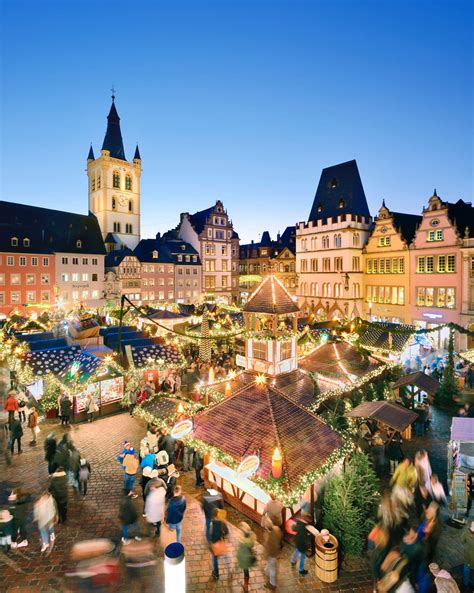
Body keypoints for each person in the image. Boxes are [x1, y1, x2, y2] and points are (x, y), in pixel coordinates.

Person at [263, 516, 282, 591]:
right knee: (270, 566)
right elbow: (280, 537)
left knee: (272, 569)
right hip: (276, 552)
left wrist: (265, 556)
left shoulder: (268, 537)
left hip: (272, 554)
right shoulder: (277, 529)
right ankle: (266, 571)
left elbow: (267, 549)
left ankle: (272, 584)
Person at [209, 506, 229, 580]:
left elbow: (211, 534)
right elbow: (227, 532)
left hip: (215, 543)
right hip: (221, 542)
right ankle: (229, 570)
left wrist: (210, 542)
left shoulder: (212, 524)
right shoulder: (222, 522)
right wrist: (223, 536)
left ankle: (216, 574)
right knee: (226, 557)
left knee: (215, 559)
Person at [237, 521, 256, 592]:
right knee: (246, 571)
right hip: (249, 556)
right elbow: (251, 545)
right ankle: (246, 584)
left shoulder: (242, 540)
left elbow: (240, 551)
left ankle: (246, 587)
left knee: (245, 571)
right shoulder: (251, 537)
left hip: (244, 558)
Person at [462, 521, 474, 588]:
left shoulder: (466, 533)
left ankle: (465, 583)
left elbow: (462, 541)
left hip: (468, 556)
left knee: (466, 569)